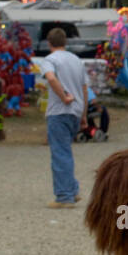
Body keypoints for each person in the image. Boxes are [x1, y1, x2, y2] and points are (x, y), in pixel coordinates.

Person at [42, 27, 88, 208]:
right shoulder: (76, 60)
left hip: (59, 110)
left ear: (49, 42)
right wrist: (83, 114)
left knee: (60, 153)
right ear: (65, 42)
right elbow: (84, 88)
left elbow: (51, 79)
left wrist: (64, 97)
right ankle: (73, 189)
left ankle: (64, 196)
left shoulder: (49, 60)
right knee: (65, 151)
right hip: (76, 111)